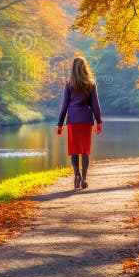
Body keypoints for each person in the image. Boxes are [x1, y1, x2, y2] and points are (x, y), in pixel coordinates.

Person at [56, 56, 103, 189]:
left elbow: (64, 105)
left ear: (73, 68)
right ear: (85, 67)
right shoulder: (91, 83)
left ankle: (77, 175)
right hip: (86, 120)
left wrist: (60, 124)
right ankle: (84, 179)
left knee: (74, 150)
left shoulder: (69, 84)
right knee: (85, 150)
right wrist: (99, 121)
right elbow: (95, 104)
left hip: (73, 120)